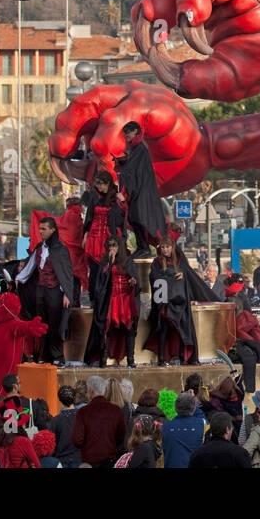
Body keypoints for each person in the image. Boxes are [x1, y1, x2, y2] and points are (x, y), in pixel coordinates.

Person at [15, 217, 78, 365]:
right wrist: (18, 279)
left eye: (44, 229)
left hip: (54, 291)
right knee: (42, 323)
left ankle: (57, 355)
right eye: (40, 228)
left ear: (52, 230)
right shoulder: (39, 248)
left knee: (55, 324)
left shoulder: (61, 249)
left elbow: (66, 273)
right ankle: (44, 355)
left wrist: (66, 293)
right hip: (40, 291)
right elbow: (30, 267)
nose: (41, 231)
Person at [145, 237, 207, 365]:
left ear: (172, 248)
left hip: (178, 302)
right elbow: (155, 279)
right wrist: (171, 277)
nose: (165, 249)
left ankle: (181, 357)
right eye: (163, 247)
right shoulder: (156, 262)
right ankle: (161, 358)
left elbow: (186, 280)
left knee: (180, 329)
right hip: (164, 303)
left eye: (167, 247)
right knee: (163, 328)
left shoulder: (179, 262)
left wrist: (180, 276)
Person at [85, 235, 139, 368]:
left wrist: (133, 282)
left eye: (114, 245)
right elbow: (100, 282)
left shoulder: (127, 261)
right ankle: (103, 359)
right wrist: (110, 263)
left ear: (119, 247)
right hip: (111, 299)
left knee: (129, 328)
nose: (112, 248)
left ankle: (130, 359)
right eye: (109, 245)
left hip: (125, 299)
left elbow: (135, 278)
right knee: (107, 329)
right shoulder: (104, 263)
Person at [116, 121, 166, 256]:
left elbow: (132, 171)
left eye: (128, 131)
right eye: (125, 132)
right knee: (134, 218)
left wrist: (124, 168)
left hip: (142, 191)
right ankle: (142, 247)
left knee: (139, 218)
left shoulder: (139, 149)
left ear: (136, 132)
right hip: (139, 190)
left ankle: (144, 248)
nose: (125, 134)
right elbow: (132, 169)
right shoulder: (135, 149)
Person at [71, 375, 127, 468]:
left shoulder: (83, 412)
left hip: (89, 461)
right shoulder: (116, 410)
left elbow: (76, 439)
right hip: (110, 460)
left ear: (90, 391)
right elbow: (121, 436)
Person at [81, 170, 126, 267]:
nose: (98, 186)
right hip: (94, 237)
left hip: (109, 236)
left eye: (100, 184)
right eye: (96, 183)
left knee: (108, 266)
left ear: (108, 183)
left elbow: (123, 217)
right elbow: (89, 216)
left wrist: (123, 201)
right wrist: (85, 235)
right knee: (94, 268)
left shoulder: (116, 197)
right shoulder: (94, 196)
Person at [45, 386, 82, 468]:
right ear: (74, 397)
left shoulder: (55, 421)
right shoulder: (82, 417)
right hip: (79, 459)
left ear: (60, 399)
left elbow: (51, 443)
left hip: (61, 460)